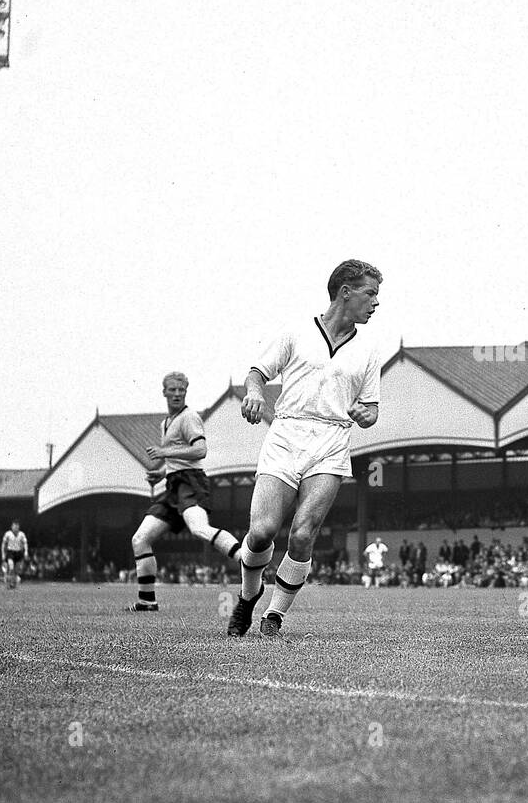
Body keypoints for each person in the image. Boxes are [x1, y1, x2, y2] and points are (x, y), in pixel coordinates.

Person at [227, 260, 382, 637]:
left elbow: (372, 409)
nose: (376, 303)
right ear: (345, 291)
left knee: (302, 533)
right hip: (286, 434)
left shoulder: (368, 349)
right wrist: (253, 392)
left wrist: (365, 414)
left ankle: (275, 615)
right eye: (370, 293)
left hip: (331, 441)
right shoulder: (296, 332)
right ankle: (249, 596)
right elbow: (257, 372)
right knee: (262, 532)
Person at [129, 371, 244, 612]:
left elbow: (200, 451)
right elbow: (180, 459)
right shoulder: (166, 423)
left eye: (181, 390)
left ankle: (248, 560)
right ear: (164, 392)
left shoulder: (189, 417)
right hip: (174, 484)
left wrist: (164, 454)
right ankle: (147, 601)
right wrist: (163, 473)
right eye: (172, 390)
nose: (177, 394)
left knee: (199, 529)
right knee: (140, 539)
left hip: (191, 483)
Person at [1, 520, 28, 589]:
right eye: (14, 526)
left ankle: (14, 585)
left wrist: (26, 552)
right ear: (12, 526)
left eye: (17, 526)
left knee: (16, 570)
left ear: (18, 527)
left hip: (18, 553)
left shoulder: (22, 534)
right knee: (11, 567)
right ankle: (8, 583)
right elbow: (3, 544)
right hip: (11, 552)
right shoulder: (8, 534)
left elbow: (25, 543)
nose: (16, 527)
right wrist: (3, 554)